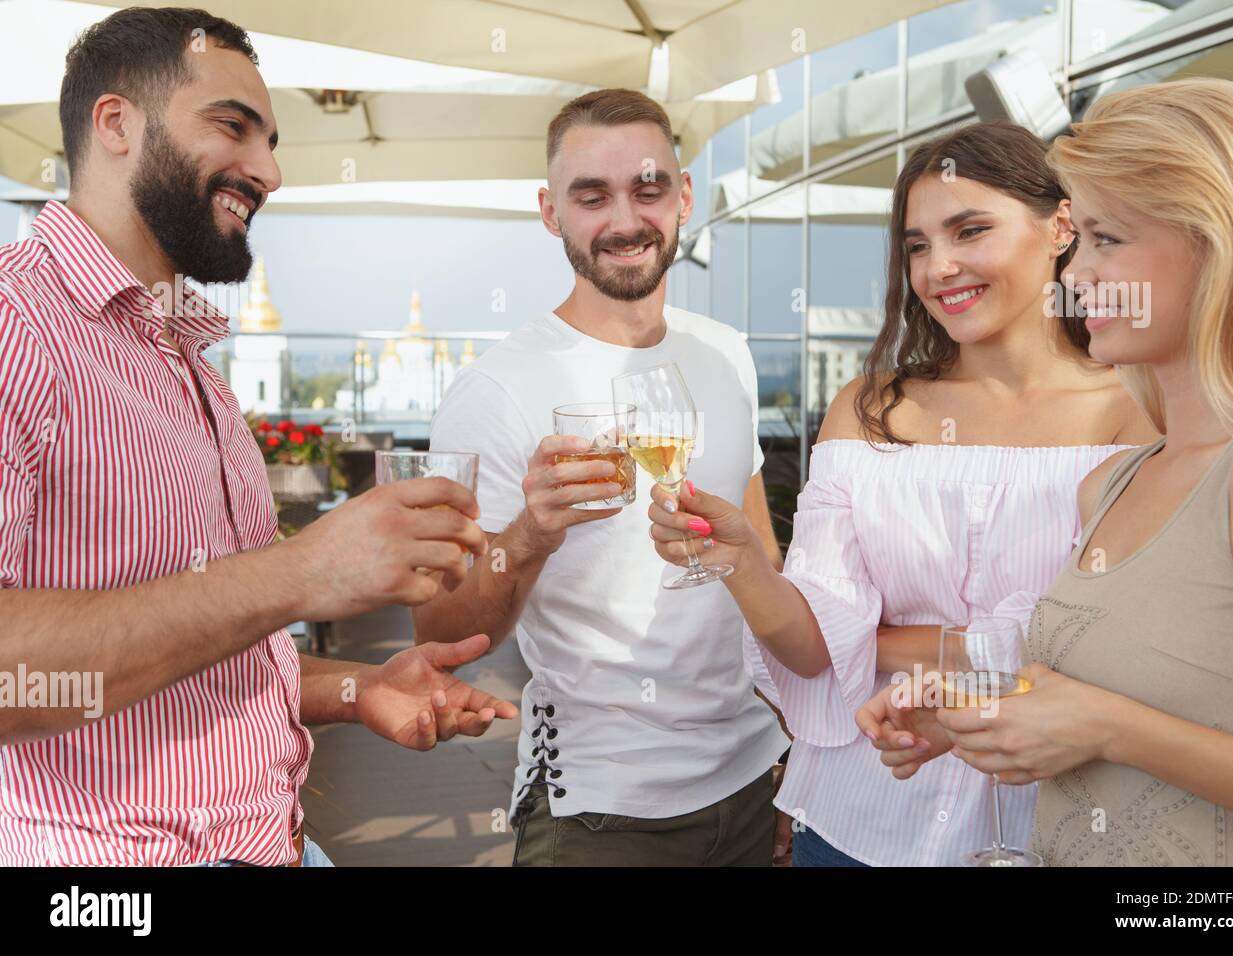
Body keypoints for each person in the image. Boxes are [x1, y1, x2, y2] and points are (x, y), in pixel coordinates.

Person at [0, 6, 516, 868]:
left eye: (271, 141)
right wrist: (301, 570)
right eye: (231, 127)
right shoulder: (16, 326)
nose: (269, 170)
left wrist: (356, 687)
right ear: (116, 123)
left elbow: (204, 647)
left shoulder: (185, 357)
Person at [649, 122, 1156, 865]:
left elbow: (1085, 642)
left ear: (1060, 227)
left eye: (969, 230)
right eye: (916, 246)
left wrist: (885, 645)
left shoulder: (1136, 411)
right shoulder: (870, 407)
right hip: (855, 820)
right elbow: (816, 647)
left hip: (1048, 825)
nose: (939, 267)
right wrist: (744, 566)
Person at [868, 78, 1233, 866]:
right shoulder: (1113, 482)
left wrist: (1111, 729)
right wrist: (976, 713)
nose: (1072, 276)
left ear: (1216, 239)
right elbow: (1101, 694)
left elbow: (1113, 718)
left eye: (1105, 238)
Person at [416, 88, 791, 866]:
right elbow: (442, 634)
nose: (625, 220)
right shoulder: (495, 390)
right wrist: (528, 536)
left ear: (682, 198)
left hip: (754, 778)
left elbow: (765, 563)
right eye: (593, 197)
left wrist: (793, 747)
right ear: (552, 212)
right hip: (600, 808)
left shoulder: (727, 352)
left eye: (648, 189)